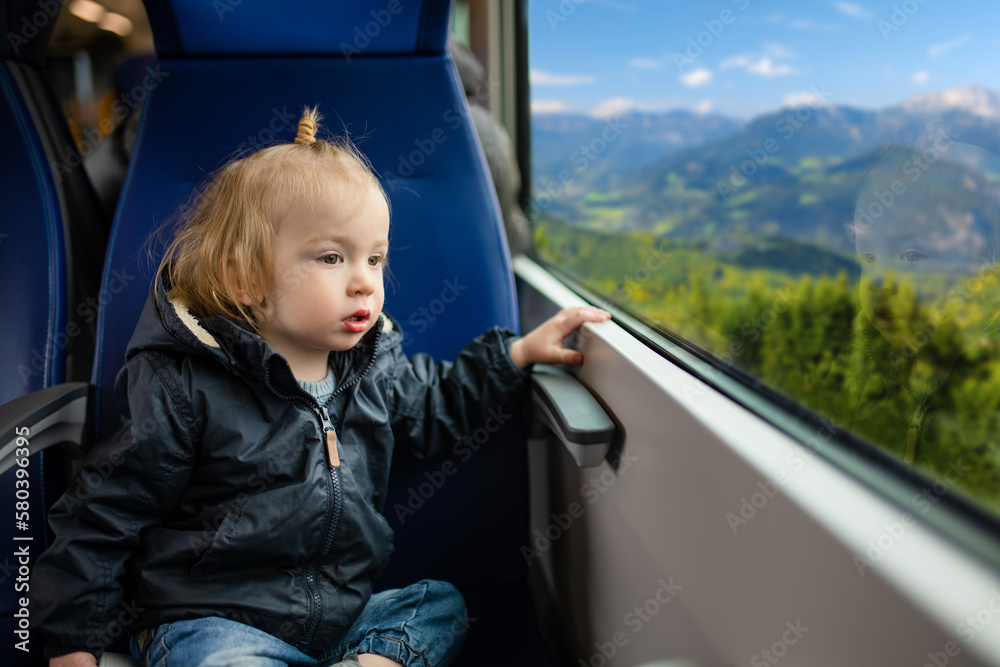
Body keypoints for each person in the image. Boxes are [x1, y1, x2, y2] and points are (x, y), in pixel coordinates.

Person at [33, 107, 610, 667]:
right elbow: (105, 513)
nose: (365, 282)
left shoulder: (372, 366)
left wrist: (514, 356)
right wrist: (73, 639)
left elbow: (435, 408)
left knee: (437, 606)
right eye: (332, 257)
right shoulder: (184, 384)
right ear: (244, 278)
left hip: (336, 621)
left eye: (376, 259)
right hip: (210, 621)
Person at [846, 131, 1000, 469]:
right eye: (868, 256)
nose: (879, 284)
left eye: (912, 256)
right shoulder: (876, 362)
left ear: (987, 268)